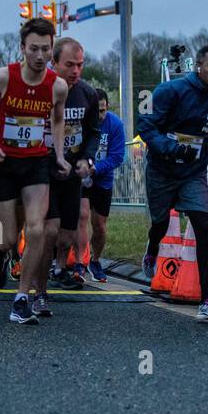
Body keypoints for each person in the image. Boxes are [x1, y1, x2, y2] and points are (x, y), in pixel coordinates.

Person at [137, 43, 208, 322]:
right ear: (199, 67)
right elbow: (144, 124)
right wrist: (168, 148)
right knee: (160, 222)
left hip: (194, 172)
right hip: (161, 170)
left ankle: (206, 299)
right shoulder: (170, 91)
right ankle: (152, 247)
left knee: (202, 226)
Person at [0, 17, 70, 325]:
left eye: (46, 50)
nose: (40, 56)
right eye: (33, 49)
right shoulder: (2, 77)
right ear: (22, 48)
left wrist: (58, 155)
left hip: (36, 161)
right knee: (6, 239)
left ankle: (21, 297)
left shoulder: (57, 86)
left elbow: (57, 121)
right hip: (3, 162)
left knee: (36, 229)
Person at [38, 37, 102, 306]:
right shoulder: (40, 89)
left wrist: (87, 157)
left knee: (67, 230)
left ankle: (60, 268)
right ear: (53, 63)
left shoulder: (87, 93)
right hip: (42, 167)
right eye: (69, 65)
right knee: (47, 228)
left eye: (80, 65)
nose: (76, 71)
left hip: (73, 170)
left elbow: (93, 133)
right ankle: (31, 268)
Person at [78, 88, 125, 282]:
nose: (100, 115)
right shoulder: (80, 122)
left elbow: (117, 157)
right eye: (96, 111)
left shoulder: (115, 124)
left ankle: (95, 261)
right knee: (81, 217)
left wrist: (96, 169)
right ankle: (80, 262)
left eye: (103, 111)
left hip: (102, 179)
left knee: (100, 227)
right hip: (81, 177)